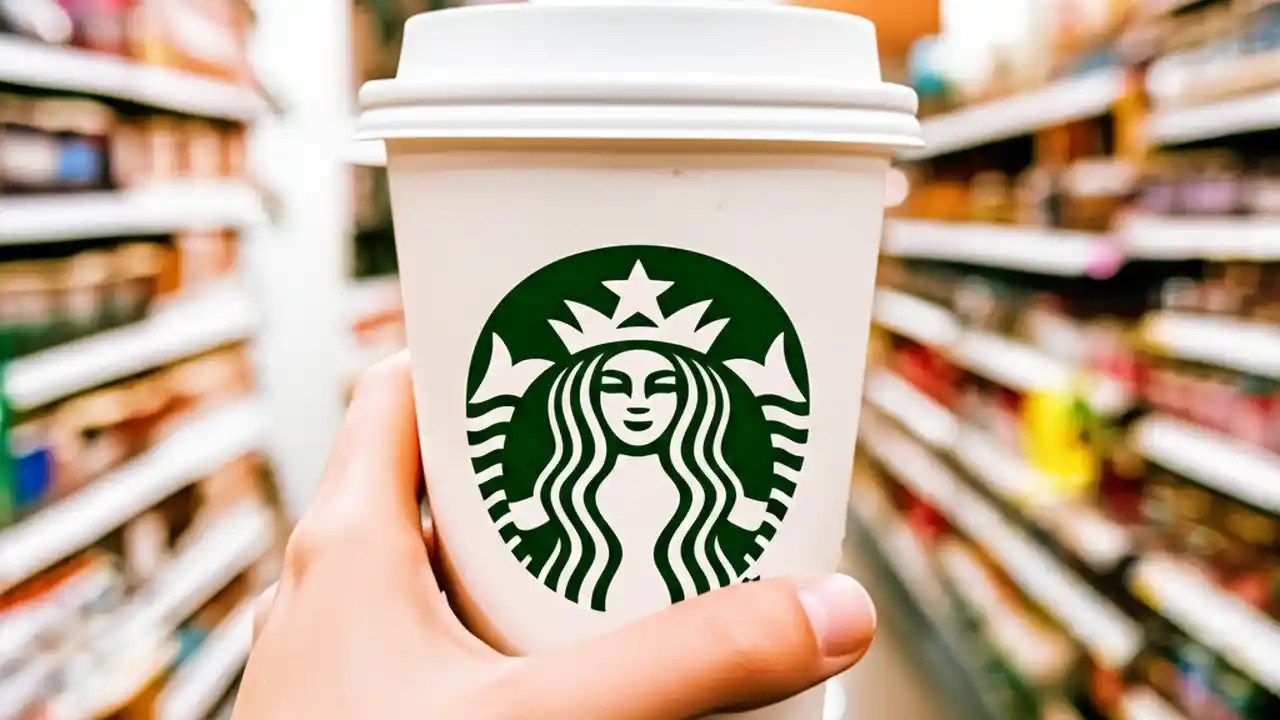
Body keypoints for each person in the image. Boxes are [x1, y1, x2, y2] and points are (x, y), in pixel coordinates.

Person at [234, 353, 878, 718]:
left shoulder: (713, 497)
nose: (637, 403)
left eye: (661, 385)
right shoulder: (564, 504)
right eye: (614, 385)